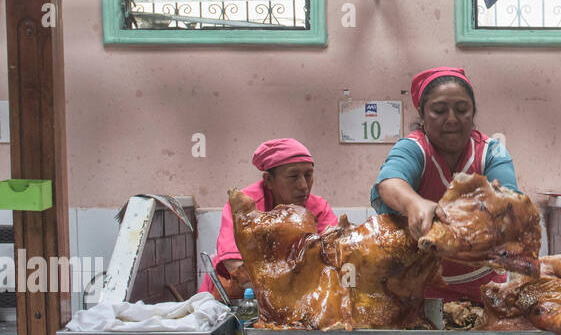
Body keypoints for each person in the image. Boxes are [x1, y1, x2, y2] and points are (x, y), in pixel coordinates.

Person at [371, 66, 518, 301]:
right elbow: (389, 182)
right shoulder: (413, 148)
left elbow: (508, 200)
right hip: (417, 291)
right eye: (439, 110)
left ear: (473, 113)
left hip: (484, 290)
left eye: (462, 110)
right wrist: (414, 204)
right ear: (422, 114)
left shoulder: (491, 152)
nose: (451, 119)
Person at [202, 138, 338, 298]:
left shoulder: (318, 209)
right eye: (293, 176)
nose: (303, 185)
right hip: (237, 298)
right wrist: (279, 298)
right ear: (269, 180)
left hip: (293, 297)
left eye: (308, 175)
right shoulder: (245, 204)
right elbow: (233, 263)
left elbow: (332, 257)